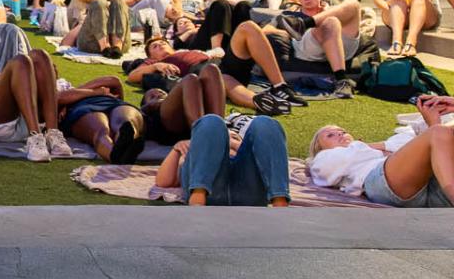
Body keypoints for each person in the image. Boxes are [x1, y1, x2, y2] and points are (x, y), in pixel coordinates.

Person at [307, 97, 453, 207]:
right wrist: (379, 148)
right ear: (319, 148)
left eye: (342, 131)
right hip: (384, 184)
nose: (339, 134)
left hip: (430, 188)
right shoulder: (323, 158)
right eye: (330, 135)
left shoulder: (367, 149)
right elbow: (431, 137)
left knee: (444, 132)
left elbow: (414, 140)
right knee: (438, 132)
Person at [154, 113, 291, 206]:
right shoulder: (200, 151)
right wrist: (176, 150)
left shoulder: (251, 154)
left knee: (265, 123)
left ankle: (280, 202)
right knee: (211, 121)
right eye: (223, 136)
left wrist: (232, 143)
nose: (226, 139)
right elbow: (163, 181)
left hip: (249, 189)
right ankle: (197, 199)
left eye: (234, 137)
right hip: (209, 191)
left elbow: (274, 162)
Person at [0, 50, 70, 162]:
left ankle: (53, 134)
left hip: (33, 119)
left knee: (40, 54)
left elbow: (69, 95)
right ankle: (35, 137)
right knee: (20, 61)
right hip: (1, 122)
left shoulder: (61, 85)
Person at [55, 74, 146, 163]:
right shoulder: (49, 89)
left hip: (111, 101)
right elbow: (59, 98)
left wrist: (77, 92)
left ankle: (126, 146)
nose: (53, 66)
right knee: (101, 131)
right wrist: (96, 92)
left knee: (125, 123)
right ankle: (114, 154)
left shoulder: (66, 84)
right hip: (81, 107)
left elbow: (114, 81)